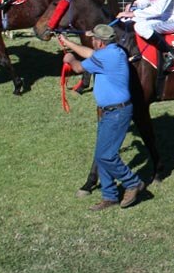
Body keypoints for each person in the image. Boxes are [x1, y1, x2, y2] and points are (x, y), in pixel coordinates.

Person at [58, 24, 146, 210]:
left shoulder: (104, 56)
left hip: (116, 113)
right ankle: (110, 196)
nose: (92, 41)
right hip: (111, 111)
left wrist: (70, 58)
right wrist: (68, 42)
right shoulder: (114, 51)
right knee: (101, 155)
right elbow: (90, 53)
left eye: (94, 39)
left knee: (106, 156)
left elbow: (78, 68)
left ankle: (132, 182)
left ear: (100, 42)